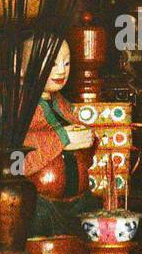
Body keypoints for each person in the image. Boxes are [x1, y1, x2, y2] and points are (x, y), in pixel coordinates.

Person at [24, 40, 99, 236]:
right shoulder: (21, 107)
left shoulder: (62, 104)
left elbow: (81, 143)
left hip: (78, 201)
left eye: (67, 63)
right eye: (52, 64)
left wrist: (87, 138)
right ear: (22, 67)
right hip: (42, 203)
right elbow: (17, 148)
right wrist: (62, 139)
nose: (61, 71)